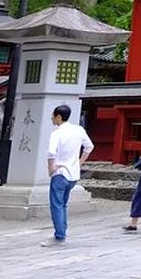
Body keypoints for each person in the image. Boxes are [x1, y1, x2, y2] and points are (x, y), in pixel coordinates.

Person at [44, 104, 94, 246]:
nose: (52, 118)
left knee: (57, 205)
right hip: (73, 173)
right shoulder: (79, 130)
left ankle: (59, 235)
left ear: (58, 117)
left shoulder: (56, 133)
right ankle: (62, 231)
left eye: (53, 115)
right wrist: (79, 162)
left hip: (60, 172)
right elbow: (89, 146)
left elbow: (51, 152)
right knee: (63, 204)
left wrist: (51, 168)